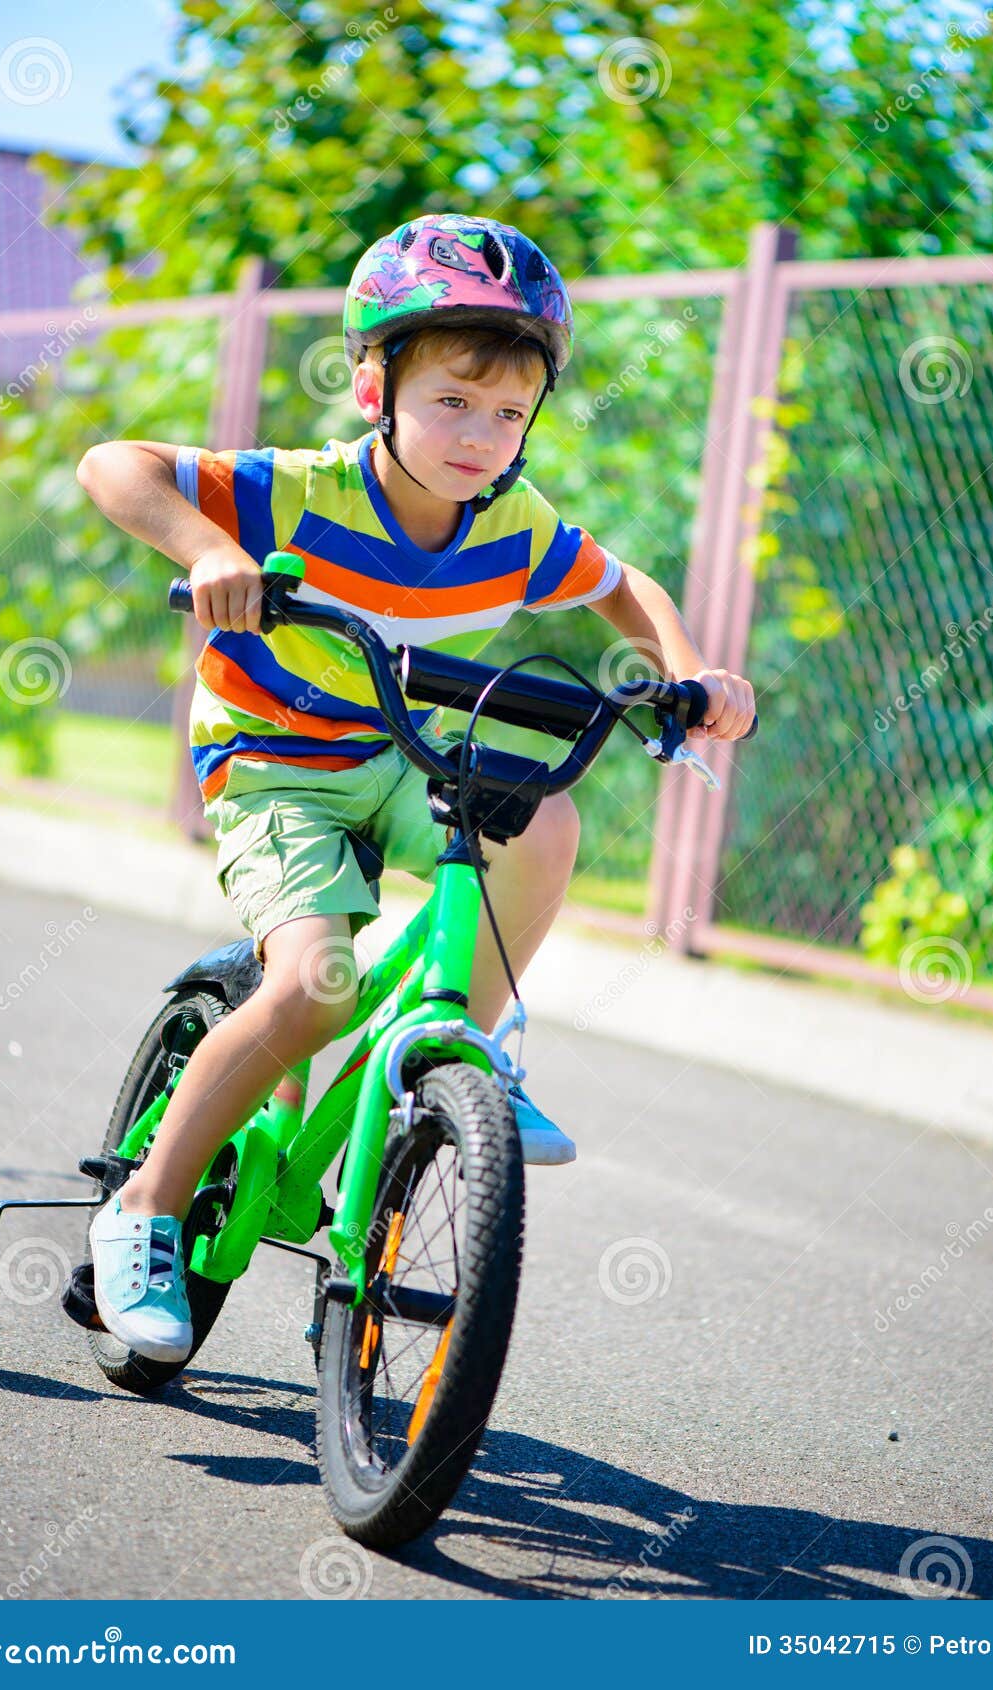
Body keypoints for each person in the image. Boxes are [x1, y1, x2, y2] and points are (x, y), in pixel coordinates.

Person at [76, 213, 756, 1362]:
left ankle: (464, 1049)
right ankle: (143, 1207)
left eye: (509, 414)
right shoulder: (297, 491)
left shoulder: (514, 526)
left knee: (540, 813)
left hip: (400, 754)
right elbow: (115, 466)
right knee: (317, 986)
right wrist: (207, 549)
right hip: (272, 761)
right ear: (371, 385)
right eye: (452, 400)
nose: (482, 435)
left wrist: (686, 669)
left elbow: (621, 583)